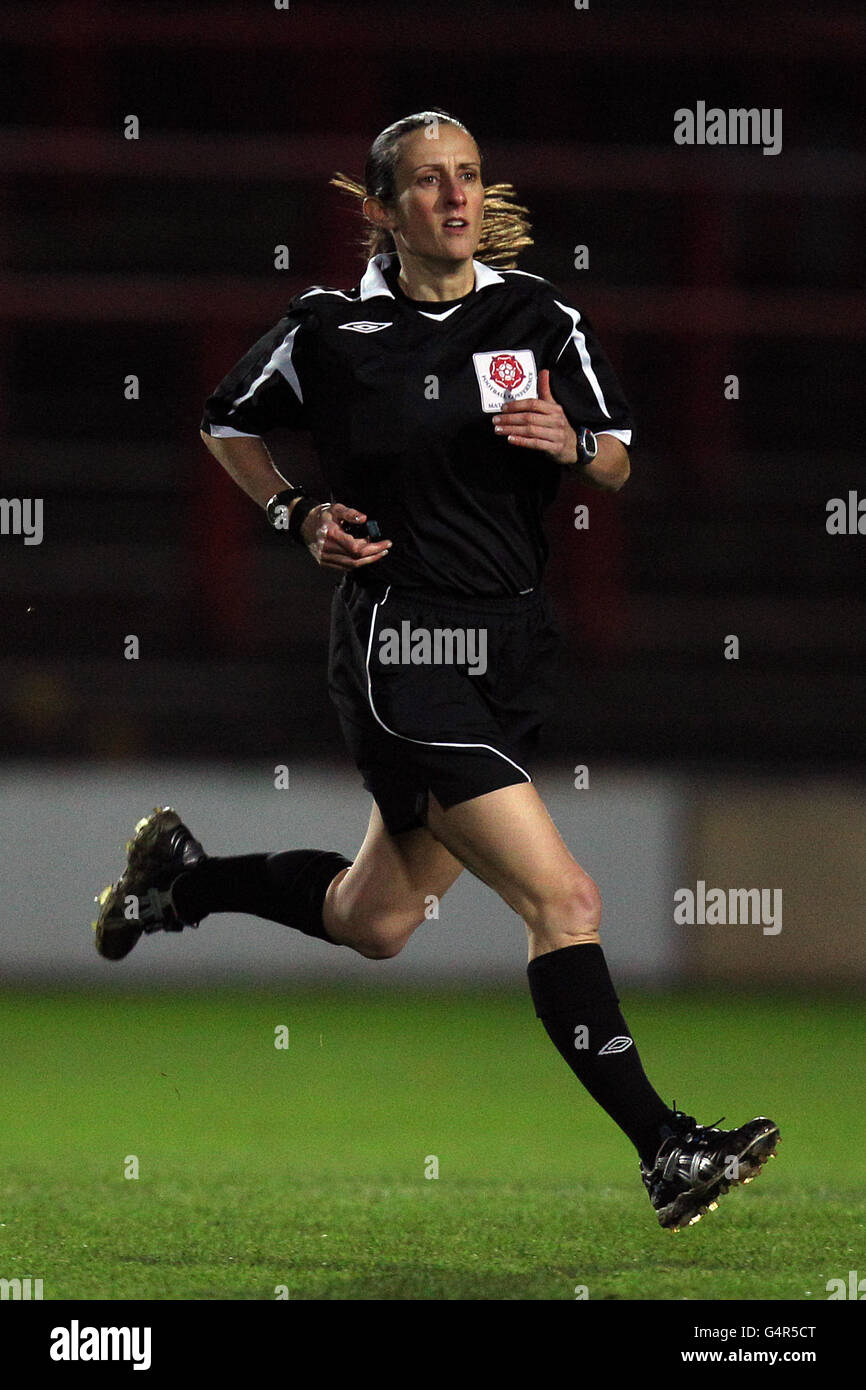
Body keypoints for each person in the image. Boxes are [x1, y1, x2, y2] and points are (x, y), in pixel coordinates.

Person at [93, 110, 779, 1231]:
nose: (453, 196)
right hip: (401, 647)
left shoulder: (537, 313)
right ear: (378, 210)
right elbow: (224, 420)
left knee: (378, 920)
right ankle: (665, 1146)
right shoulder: (328, 326)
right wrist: (294, 508)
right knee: (565, 899)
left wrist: (573, 447)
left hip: (511, 644)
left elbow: (614, 456)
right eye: (423, 182)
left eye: (465, 175)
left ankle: (181, 879)